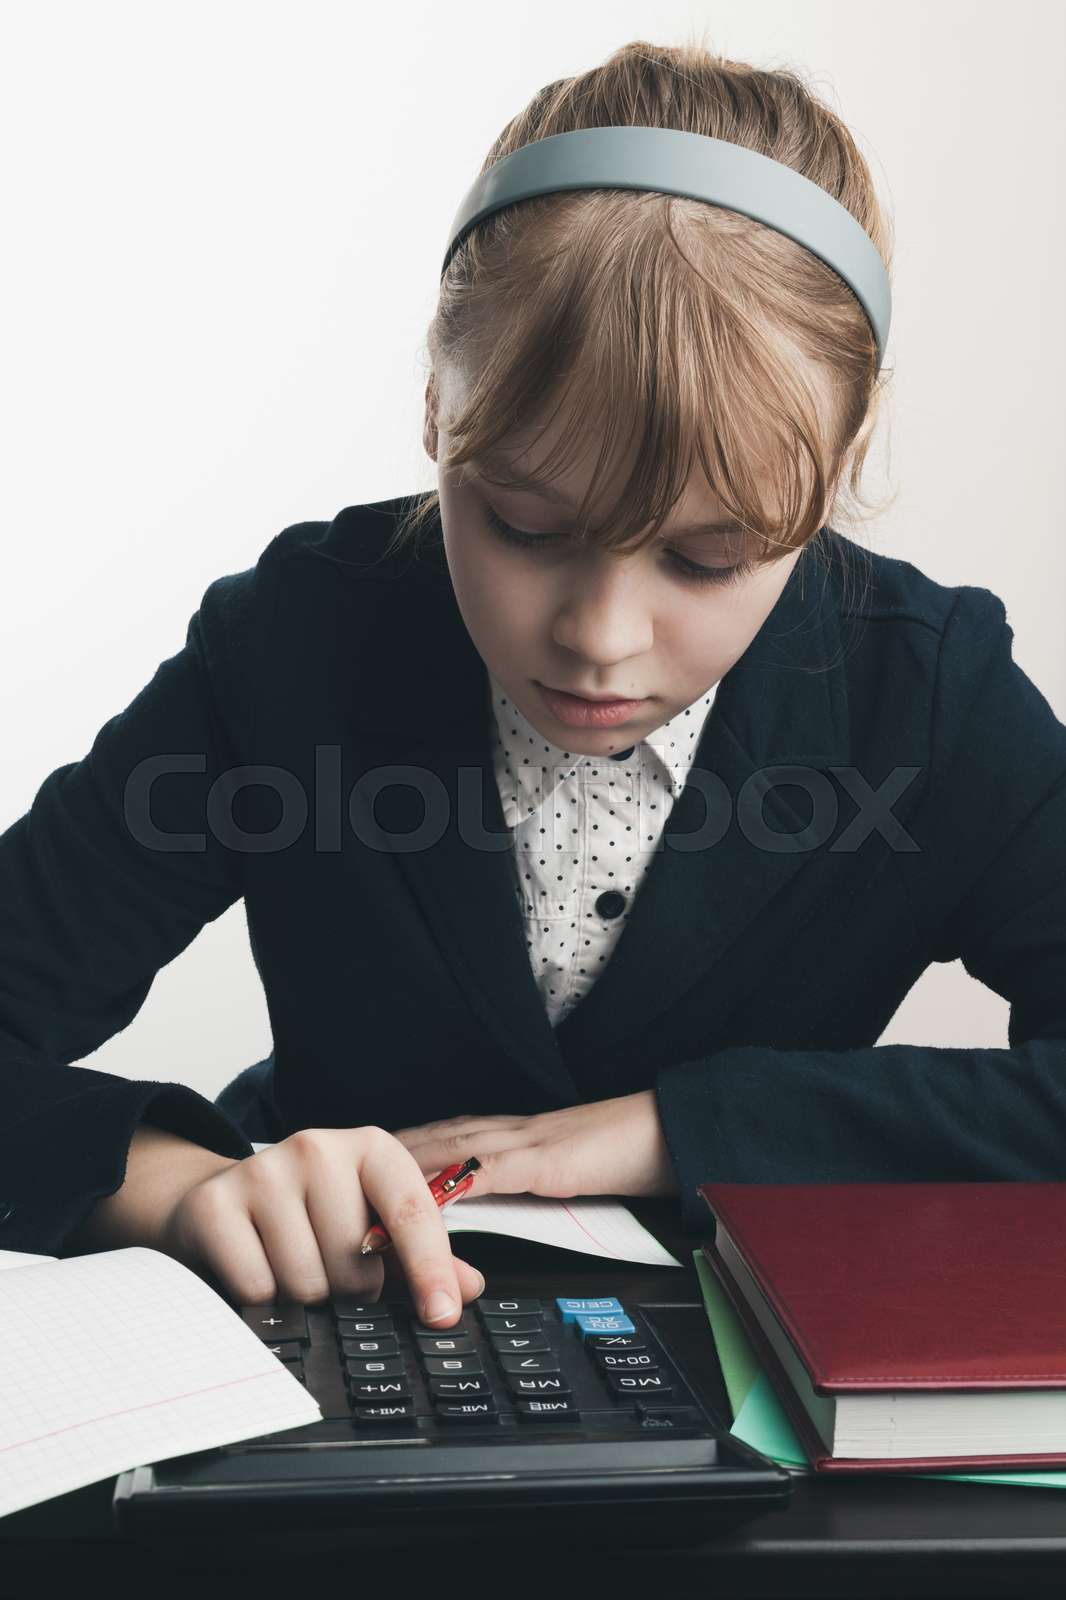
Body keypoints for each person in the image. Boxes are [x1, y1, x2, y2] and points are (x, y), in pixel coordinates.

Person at [2, 39, 1064, 1336]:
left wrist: (677, 1129)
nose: (601, 637)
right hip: (327, 1339)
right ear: (437, 413)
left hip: (753, 1388)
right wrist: (173, 1187)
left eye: (707, 555)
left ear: (835, 467)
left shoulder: (929, 693)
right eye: (522, 525)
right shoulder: (291, 641)